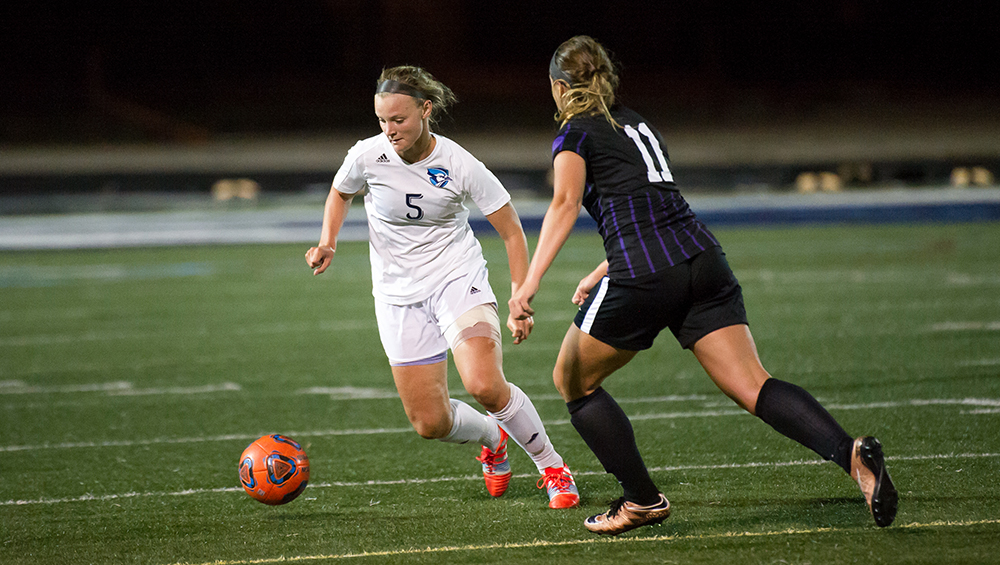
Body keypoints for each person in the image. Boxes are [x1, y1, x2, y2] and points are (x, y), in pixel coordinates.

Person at [508, 36, 898, 534]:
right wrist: (602, 268)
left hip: (646, 273)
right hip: (701, 258)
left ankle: (641, 500)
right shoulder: (638, 124)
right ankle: (851, 454)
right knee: (753, 384)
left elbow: (564, 204)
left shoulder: (575, 133)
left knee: (574, 382)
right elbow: (653, 206)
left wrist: (528, 285)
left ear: (560, 88)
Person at [306, 65, 579, 509]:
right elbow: (340, 192)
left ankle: (553, 468)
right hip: (398, 296)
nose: (389, 130)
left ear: (426, 110)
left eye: (399, 119)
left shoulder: (459, 163)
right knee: (429, 423)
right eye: (382, 120)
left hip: (457, 279)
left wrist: (519, 295)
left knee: (484, 384)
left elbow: (512, 230)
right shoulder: (367, 155)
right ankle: (492, 438)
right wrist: (327, 242)